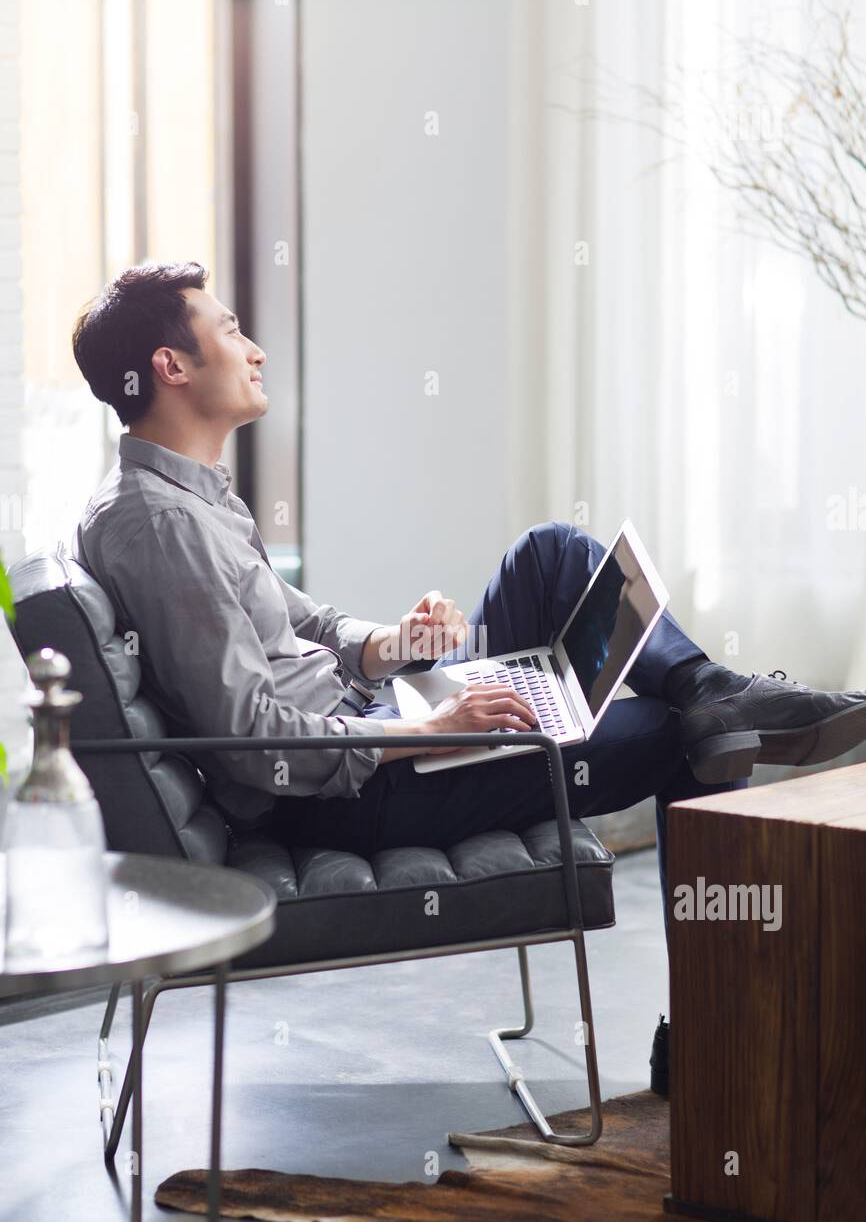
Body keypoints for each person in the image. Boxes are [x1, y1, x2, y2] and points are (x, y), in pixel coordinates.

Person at [71, 262, 866, 1094]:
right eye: (231, 330)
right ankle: (715, 1027)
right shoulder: (162, 526)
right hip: (354, 791)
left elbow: (305, 626)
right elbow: (252, 741)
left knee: (550, 552)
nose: (256, 349)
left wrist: (395, 642)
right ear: (172, 368)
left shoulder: (191, 495)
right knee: (679, 744)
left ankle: (710, 688)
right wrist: (431, 733)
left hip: (375, 723)